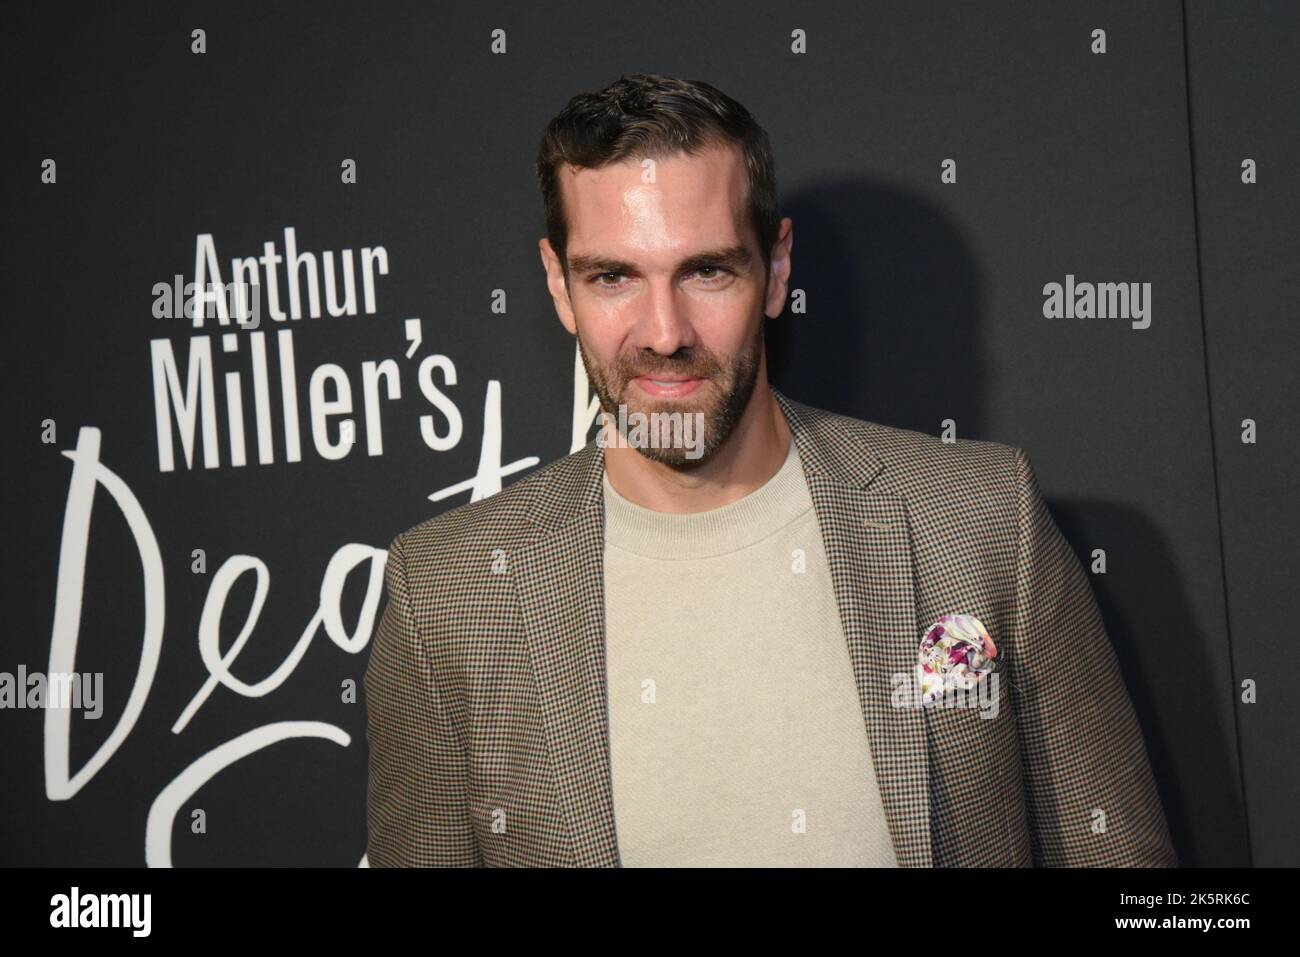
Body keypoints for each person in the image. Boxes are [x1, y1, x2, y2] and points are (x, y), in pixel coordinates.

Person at [363, 73, 1177, 867]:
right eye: (613, 277)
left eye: (706, 270)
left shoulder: (983, 522)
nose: (665, 331)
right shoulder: (448, 596)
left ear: (776, 269)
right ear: (559, 285)